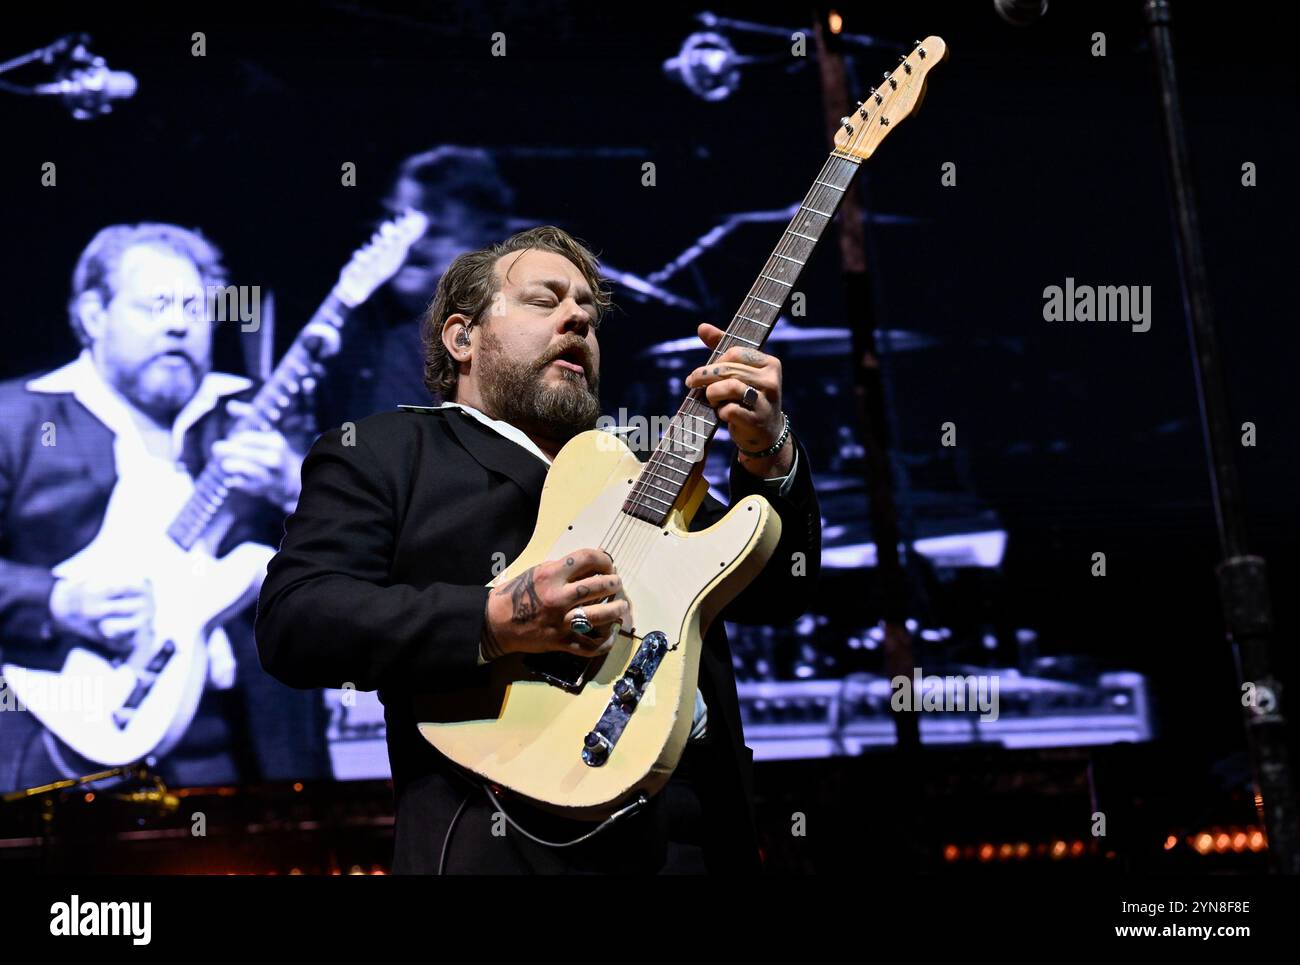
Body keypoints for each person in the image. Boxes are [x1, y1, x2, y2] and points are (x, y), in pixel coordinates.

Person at [255, 225, 821, 873]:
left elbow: (781, 589)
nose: (578, 316)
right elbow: (295, 620)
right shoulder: (388, 453)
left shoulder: (636, 474)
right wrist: (493, 621)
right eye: (544, 300)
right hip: (507, 840)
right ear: (462, 338)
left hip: (696, 840)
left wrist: (766, 446)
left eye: (588, 309)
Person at [0, 222, 329, 792]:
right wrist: (54, 600)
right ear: (94, 316)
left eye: (195, 308)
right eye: (155, 306)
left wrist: (293, 490)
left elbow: (364, 560)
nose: (179, 324)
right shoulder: (18, 422)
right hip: (65, 740)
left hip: (253, 745)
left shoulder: (259, 413)